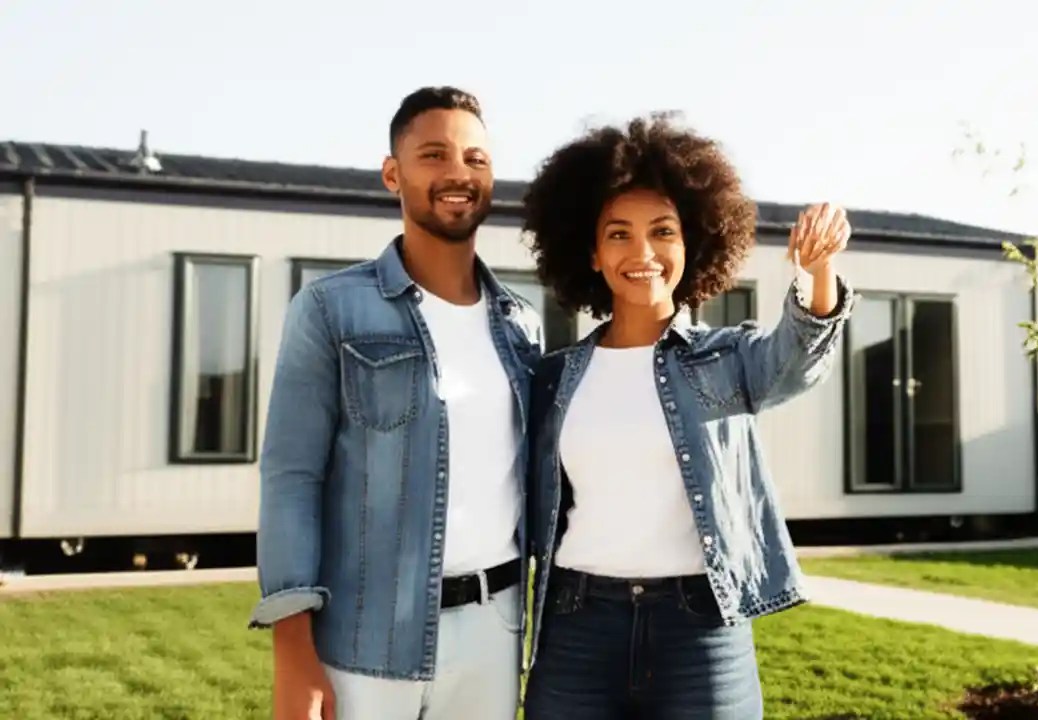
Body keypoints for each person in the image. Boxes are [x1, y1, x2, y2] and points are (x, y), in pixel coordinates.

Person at [520, 113, 856, 719]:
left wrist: (819, 271)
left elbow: (795, 360)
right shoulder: (553, 377)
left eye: (662, 232)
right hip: (577, 626)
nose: (641, 252)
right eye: (618, 234)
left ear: (691, 243)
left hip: (700, 629)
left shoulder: (724, 360)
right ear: (592, 253)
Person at [249, 86, 542, 720]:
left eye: (476, 159)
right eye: (434, 155)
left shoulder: (522, 325)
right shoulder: (330, 309)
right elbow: (291, 478)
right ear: (394, 174)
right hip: (365, 639)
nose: (458, 173)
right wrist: (291, 649)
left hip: (495, 635)